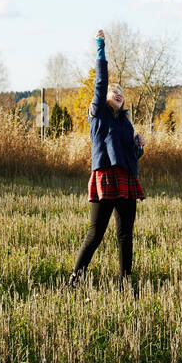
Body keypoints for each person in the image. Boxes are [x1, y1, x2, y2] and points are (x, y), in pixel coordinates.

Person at [69, 29, 145, 288]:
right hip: (104, 177)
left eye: (121, 91)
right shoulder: (98, 114)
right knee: (95, 234)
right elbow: (101, 81)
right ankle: (75, 279)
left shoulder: (125, 123)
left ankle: (126, 282)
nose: (118, 93)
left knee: (126, 235)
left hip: (126, 179)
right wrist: (100, 47)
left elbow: (131, 156)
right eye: (114, 91)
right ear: (104, 97)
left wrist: (139, 147)